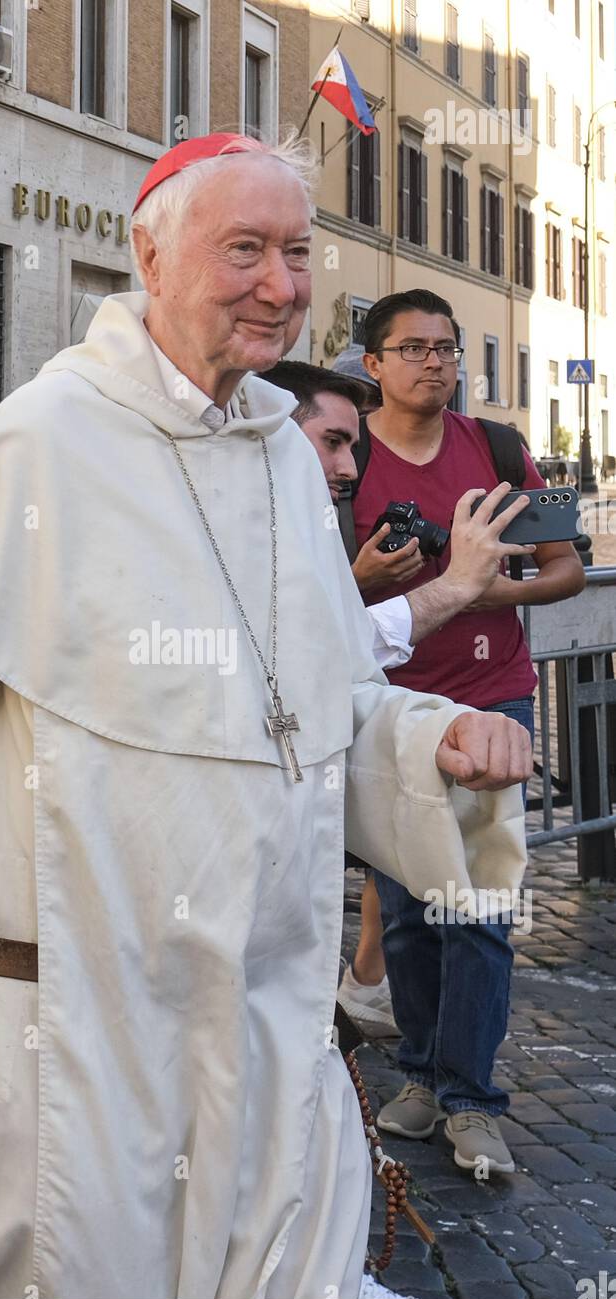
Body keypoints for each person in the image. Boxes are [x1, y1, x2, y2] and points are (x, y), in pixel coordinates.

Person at [0, 134, 530, 1299]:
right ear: (149, 253)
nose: (280, 285)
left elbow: (318, 705)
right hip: (84, 1015)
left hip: (268, 1012)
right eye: (242, 249)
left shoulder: (287, 463)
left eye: (295, 253)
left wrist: (427, 740)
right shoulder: (43, 440)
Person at [351, 288, 585, 1173]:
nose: (436, 362)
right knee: (409, 912)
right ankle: (418, 1073)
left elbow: (565, 570)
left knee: (480, 908)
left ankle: (471, 1096)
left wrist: (492, 592)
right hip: (389, 710)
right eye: (412, 348)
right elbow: (312, 594)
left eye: (446, 347)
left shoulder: (496, 448)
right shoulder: (345, 460)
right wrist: (369, 576)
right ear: (374, 366)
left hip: (495, 700)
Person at [260, 360, 536, 1038]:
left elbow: (335, 653)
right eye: (331, 442)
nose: (350, 468)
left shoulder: (304, 527)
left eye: (353, 447)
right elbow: (317, 652)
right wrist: (453, 585)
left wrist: (432, 733)